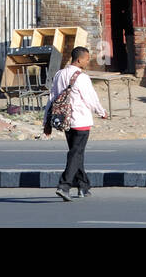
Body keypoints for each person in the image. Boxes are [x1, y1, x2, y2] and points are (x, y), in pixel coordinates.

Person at [45, 46, 107, 201]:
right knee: (76, 153)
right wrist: (101, 111)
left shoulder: (59, 74)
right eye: (87, 58)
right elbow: (90, 98)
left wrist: (46, 120)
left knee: (76, 152)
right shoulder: (82, 77)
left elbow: (52, 97)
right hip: (80, 120)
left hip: (65, 121)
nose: (87, 61)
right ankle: (64, 186)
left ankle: (83, 186)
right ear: (79, 59)